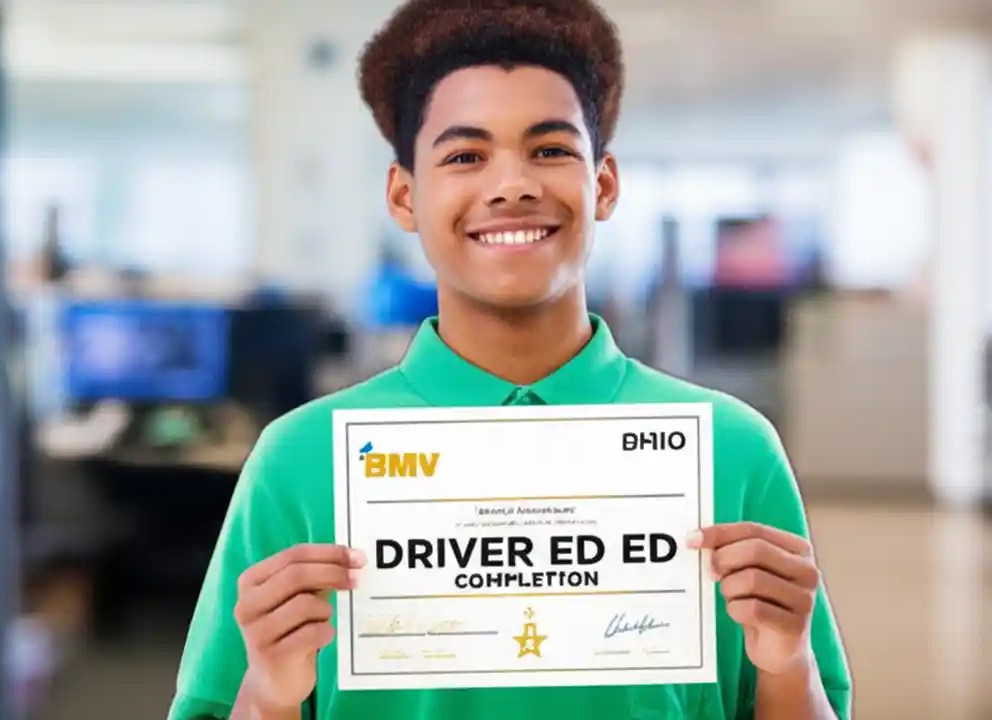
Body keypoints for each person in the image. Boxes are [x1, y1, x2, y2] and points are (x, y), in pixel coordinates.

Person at [169, 0, 851, 718]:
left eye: (551, 149)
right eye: (465, 156)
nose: (513, 185)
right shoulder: (300, 460)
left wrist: (786, 663)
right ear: (405, 195)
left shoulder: (731, 449)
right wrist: (267, 692)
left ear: (605, 185)